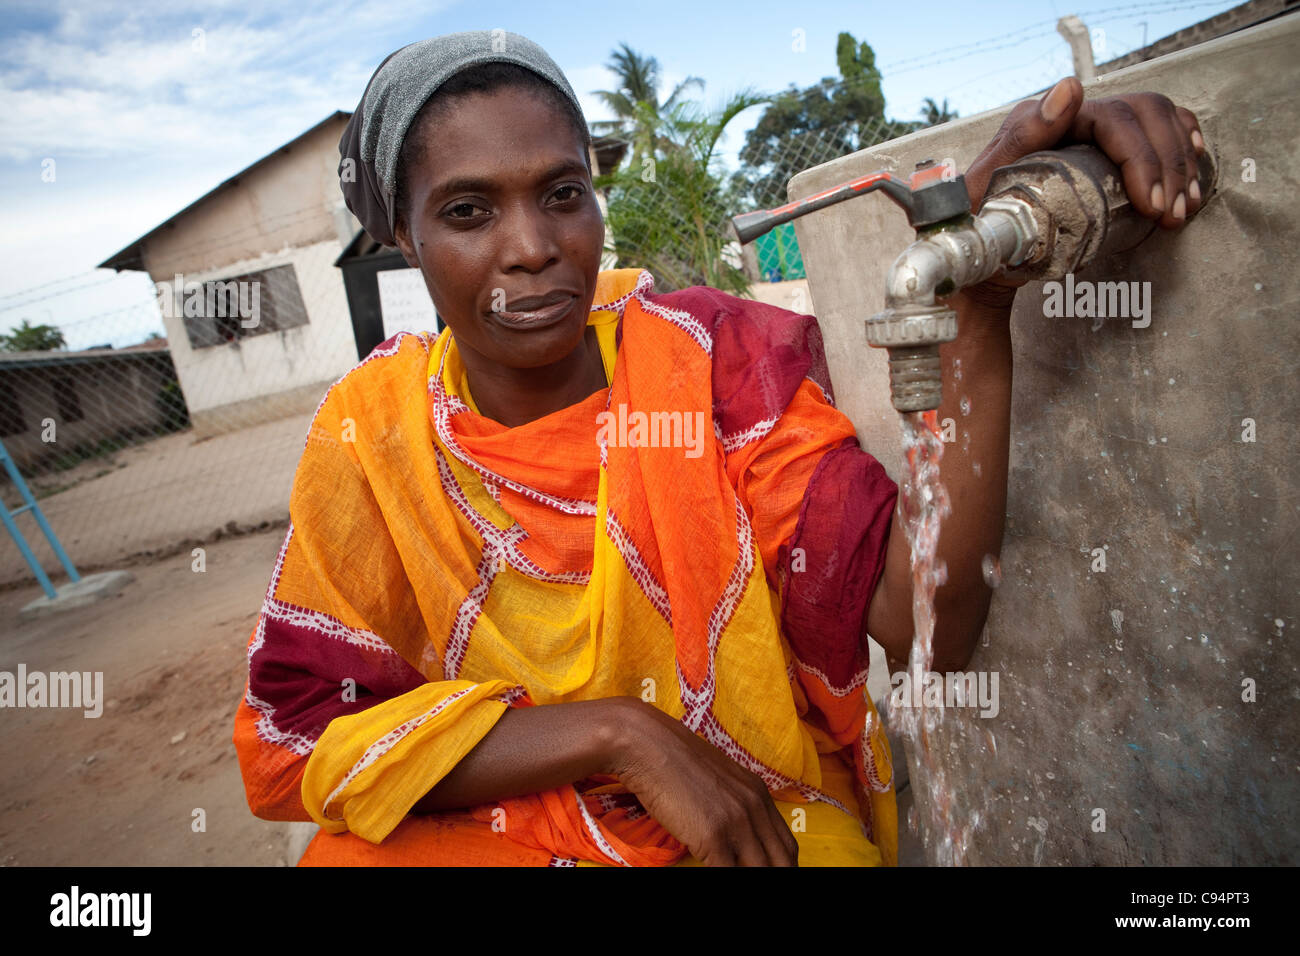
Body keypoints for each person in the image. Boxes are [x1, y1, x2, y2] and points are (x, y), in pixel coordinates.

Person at [233, 30, 1204, 866]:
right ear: (401, 235)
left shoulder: (710, 363)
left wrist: (976, 308)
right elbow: (293, 738)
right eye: (467, 210)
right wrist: (617, 734)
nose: (530, 245)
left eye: (561, 192)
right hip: (518, 816)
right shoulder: (375, 426)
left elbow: (933, 626)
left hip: (750, 816)